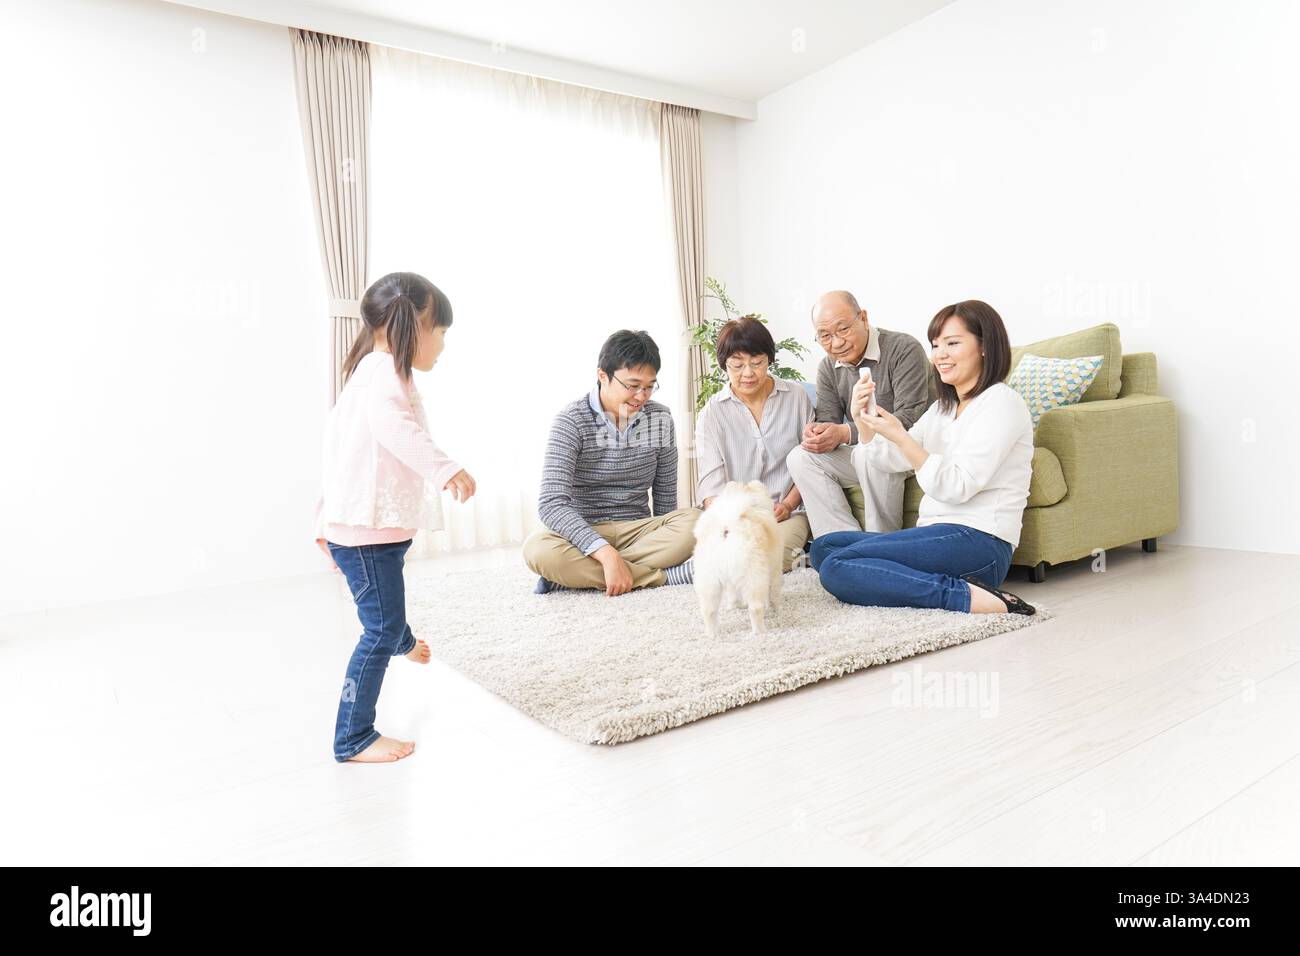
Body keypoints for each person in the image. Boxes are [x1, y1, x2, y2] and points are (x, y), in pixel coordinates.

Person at [312, 272, 477, 763]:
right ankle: (353, 736)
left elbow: (345, 451)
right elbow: (392, 430)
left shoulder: (372, 370)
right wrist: (447, 468)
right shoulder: (384, 372)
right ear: (413, 324)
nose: (444, 345)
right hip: (363, 536)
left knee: (386, 610)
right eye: (441, 332)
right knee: (377, 631)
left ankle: (399, 634)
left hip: (366, 531)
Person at [809, 299, 1037, 616]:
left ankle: (963, 597)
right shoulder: (941, 409)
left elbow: (957, 486)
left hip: (980, 542)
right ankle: (928, 580)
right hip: (935, 532)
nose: (940, 354)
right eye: (935, 345)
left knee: (836, 567)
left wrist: (900, 435)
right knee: (824, 548)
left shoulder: (1002, 404)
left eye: (952, 343)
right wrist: (862, 420)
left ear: (985, 346)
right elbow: (889, 461)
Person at [524, 330, 700, 595]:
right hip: (584, 532)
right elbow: (551, 504)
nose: (642, 396)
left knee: (695, 521)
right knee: (537, 550)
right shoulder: (570, 421)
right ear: (602, 376)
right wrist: (605, 554)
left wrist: (668, 544)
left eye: (650, 386)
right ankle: (664, 578)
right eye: (632, 385)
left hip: (637, 530)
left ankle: (571, 578)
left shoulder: (660, 418)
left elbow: (665, 498)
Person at [786, 290, 931, 537]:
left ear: (863, 318)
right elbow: (829, 420)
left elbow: (909, 420)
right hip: (867, 448)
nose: (836, 342)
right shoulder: (828, 368)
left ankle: (880, 547)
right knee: (800, 457)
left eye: (843, 329)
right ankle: (844, 542)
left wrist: (844, 432)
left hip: (914, 449)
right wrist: (819, 432)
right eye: (825, 336)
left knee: (869, 453)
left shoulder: (904, 349)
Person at [694, 316, 815, 571]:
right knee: (733, 550)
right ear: (724, 366)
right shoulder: (713, 412)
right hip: (733, 516)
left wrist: (787, 505)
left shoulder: (796, 398)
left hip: (787, 514)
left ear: (769, 359)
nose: (747, 373)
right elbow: (710, 486)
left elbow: (811, 463)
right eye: (737, 365)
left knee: (772, 559)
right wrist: (733, 519)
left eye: (756, 363)